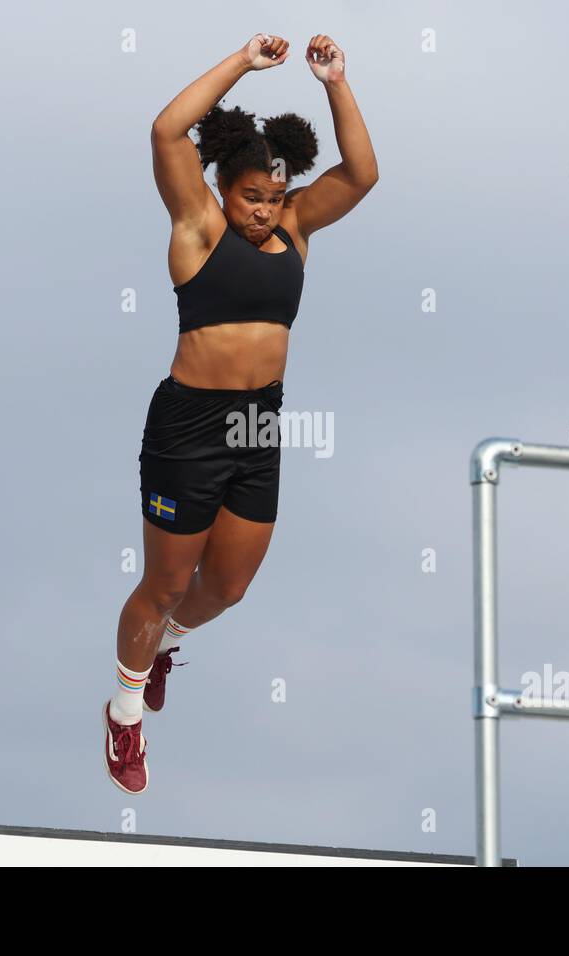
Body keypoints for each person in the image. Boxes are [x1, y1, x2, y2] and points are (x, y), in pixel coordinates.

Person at [104, 32, 379, 793]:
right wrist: (243, 62)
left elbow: (363, 173)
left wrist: (335, 81)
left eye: (272, 196)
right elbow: (165, 130)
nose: (262, 211)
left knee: (226, 585)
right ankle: (125, 715)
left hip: (259, 423)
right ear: (224, 187)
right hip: (188, 425)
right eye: (250, 196)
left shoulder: (296, 225)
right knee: (163, 585)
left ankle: (162, 649)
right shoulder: (198, 225)